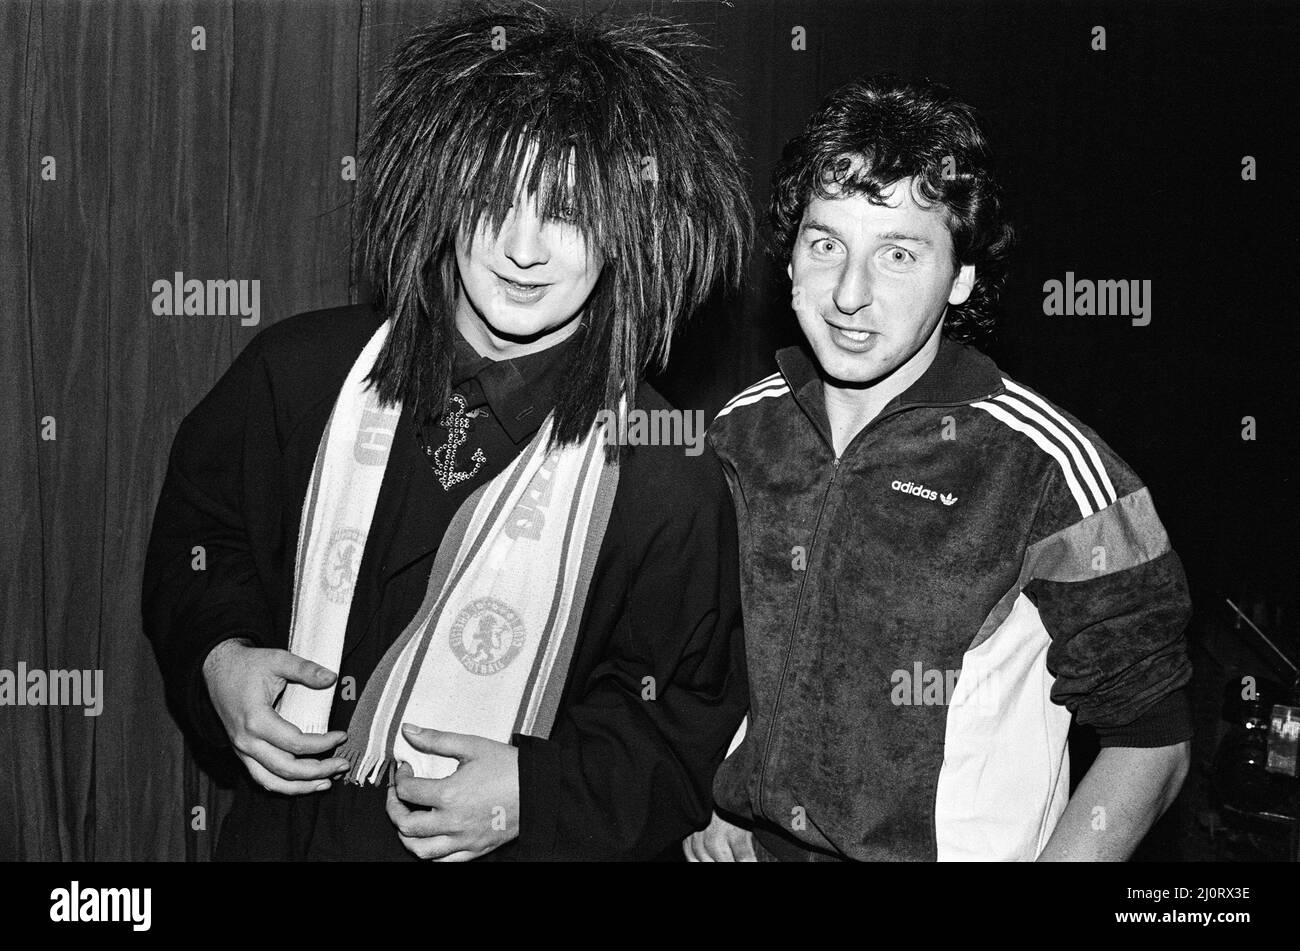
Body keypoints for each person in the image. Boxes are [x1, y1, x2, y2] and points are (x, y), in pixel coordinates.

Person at [142, 2, 751, 861]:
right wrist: (219, 658)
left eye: (569, 212)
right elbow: (199, 541)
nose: (523, 247)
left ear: (627, 234)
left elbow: (680, 725)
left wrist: (534, 794)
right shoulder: (299, 372)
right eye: (495, 195)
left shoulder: (664, 470)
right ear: (442, 190)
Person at [686, 74, 1193, 862]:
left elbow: (1152, 743)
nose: (849, 293)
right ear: (789, 261)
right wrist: (727, 785)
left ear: (960, 277)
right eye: (826, 245)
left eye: (897, 253)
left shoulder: (1051, 470)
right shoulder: (741, 430)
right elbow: (735, 655)